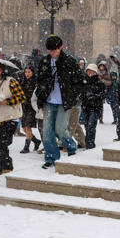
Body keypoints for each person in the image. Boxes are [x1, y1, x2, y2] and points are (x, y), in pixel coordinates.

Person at [35, 36, 80, 169]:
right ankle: (51, 156)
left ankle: (71, 148)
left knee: (60, 128)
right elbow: (40, 79)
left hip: (64, 101)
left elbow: (78, 80)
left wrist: (74, 95)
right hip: (48, 100)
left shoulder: (69, 61)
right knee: (47, 131)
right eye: (49, 50)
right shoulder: (44, 61)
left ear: (60, 47)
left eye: (54, 50)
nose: (51, 53)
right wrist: (41, 93)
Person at [0, 62, 25, 176]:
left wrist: (7, 101)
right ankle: (1, 167)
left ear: (3, 70)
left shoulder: (10, 81)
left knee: (3, 143)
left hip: (10, 117)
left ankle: (7, 166)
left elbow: (21, 97)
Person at [19, 64, 41, 154]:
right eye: (26, 72)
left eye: (29, 72)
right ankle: (36, 141)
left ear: (32, 72)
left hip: (32, 107)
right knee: (24, 128)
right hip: (24, 107)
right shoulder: (23, 81)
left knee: (28, 127)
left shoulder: (36, 82)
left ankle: (26, 147)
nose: (27, 74)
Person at [82, 64, 105, 149]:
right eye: (88, 71)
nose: (89, 73)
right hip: (86, 107)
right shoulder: (84, 82)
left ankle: (90, 145)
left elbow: (103, 94)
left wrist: (94, 96)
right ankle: (88, 144)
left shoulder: (99, 83)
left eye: (91, 71)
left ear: (95, 72)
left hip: (95, 108)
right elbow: (81, 93)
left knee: (91, 126)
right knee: (86, 126)